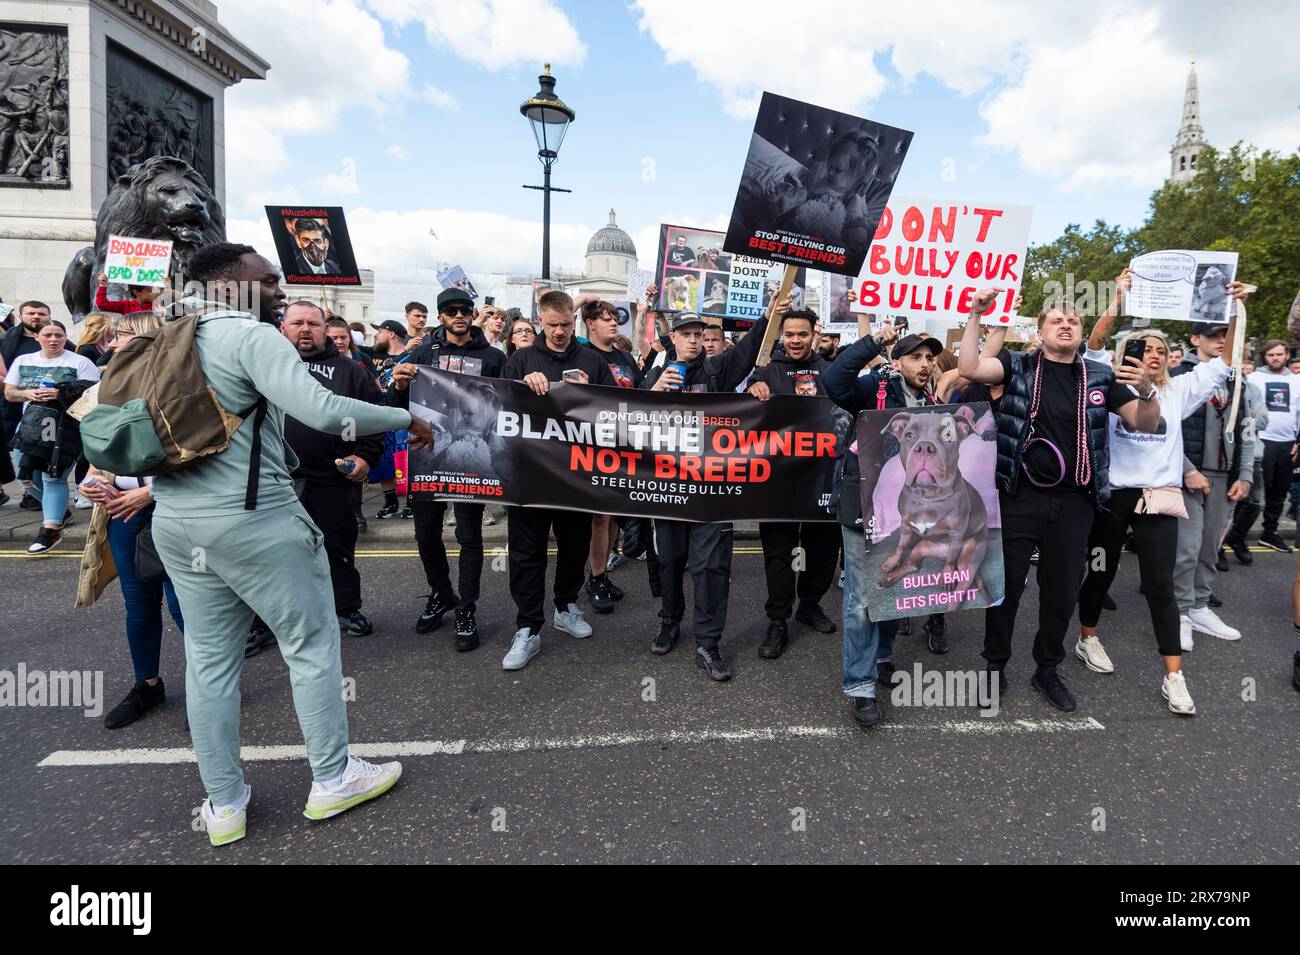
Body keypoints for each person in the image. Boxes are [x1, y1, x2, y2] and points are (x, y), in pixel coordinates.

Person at [145, 242, 432, 847]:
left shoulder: (158, 334)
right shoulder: (249, 336)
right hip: (254, 521)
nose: (279, 289)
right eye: (268, 280)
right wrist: (406, 419)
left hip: (175, 519)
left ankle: (224, 804)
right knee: (310, 645)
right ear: (231, 286)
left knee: (209, 662)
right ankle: (332, 778)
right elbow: (323, 410)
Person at [958, 285, 1159, 713]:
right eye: (1056, 320)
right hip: (1020, 497)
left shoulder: (1100, 376)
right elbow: (970, 368)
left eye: (1073, 321)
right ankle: (995, 666)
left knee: (1061, 593)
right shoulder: (1018, 366)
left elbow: (1143, 423)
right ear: (1041, 330)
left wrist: (1148, 391)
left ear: (1081, 332)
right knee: (1007, 589)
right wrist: (976, 314)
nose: (1066, 325)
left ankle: (1046, 669)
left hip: (1075, 504)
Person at [1076, 274, 1248, 715]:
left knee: (1160, 586)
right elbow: (1095, 339)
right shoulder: (1105, 381)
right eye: (1141, 348)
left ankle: (1174, 675)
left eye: (1158, 349)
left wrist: (1232, 307)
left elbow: (1224, 359)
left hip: (1159, 500)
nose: (1150, 354)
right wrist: (1115, 296)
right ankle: (1087, 638)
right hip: (1114, 496)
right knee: (1101, 571)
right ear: (1126, 355)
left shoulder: (1182, 390)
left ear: (1167, 358)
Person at [643, 298, 780, 682]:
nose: (692, 341)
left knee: (711, 567)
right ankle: (670, 622)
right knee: (669, 561)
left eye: (697, 335)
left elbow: (749, 350)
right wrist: (653, 390)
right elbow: (621, 416)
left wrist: (769, 316)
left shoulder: (716, 369)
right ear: (672, 338)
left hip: (711, 491)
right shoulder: (655, 375)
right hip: (665, 489)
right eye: (685, 335)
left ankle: (708, 642)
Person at [825, 323, 949, 726]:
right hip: (865, 506)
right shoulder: (874, 387)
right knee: (862, 600)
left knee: (897, 588)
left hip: (911, 512)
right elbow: (832, 381)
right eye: (916, 356)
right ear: (897, 362)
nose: (925, 364)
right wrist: (874, 341)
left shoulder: (932, 400)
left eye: (930, 358)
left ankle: (881, 657)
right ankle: (860, 687)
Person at [76, 316, 186, 728]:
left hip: (171, 507)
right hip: (121, 510)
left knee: (185, 604)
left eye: (120, 335)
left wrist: (150, 492)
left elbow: (202, 453)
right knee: (138, 602)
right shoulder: (102, 389)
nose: (112, 341)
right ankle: (148, 685)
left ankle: (210, 688)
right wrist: (91, 482)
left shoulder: (178, 387)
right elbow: (97, 452)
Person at [498, 290, 616, 670]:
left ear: (574, 318)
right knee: (526, 553)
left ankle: (566, 606)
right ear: (540, 319)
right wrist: (521, 387)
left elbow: (611, 411)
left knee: (573, 547)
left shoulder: (592, 360)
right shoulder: (521, 359)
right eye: (552, 325)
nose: (560, 331)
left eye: (566, 324)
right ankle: (528, 627)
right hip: (530, 476)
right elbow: (500, 409)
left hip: (575, 476)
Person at [389, 287, 506, 651]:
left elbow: (506, 405)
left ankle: (467, 608)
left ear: (473, 314)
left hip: (471, 460)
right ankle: (441, 594)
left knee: (470, 537)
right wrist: (399, 382)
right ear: (440, 317)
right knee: (426, 535)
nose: (459, 315)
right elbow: (395, 403)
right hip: (428, 455)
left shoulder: (492, 356)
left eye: (464, 309)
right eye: (451, 310)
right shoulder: (423, 353)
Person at [273, 301, 386, 643]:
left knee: (337, 549)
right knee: (274, 557)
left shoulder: (351, 371)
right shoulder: (266, 368)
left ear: (326, 330)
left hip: (331, 480)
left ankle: (345, 609)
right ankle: (268, 623)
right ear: (283, 328)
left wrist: (365, 456)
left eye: (313, 323)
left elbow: (374, 417)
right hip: (274, 483)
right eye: (297, 323)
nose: (305, 329)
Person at [747, 308, 840, 658]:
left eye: (803, 334)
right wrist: (752, 388)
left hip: (822, 479)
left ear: (814, 334)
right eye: (790, 335)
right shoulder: (766, 371)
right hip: (778, 482)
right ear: (781, 336)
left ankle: (810, 604)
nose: (796, 340)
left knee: (824, 550)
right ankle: (778, 619)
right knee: (778, 554)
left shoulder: (830, 372)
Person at [1170, 320, 1258, 640]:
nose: (1221, 341)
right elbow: (1164, 430)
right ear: (1195, 339)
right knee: (1187, 548)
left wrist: (1245, 474)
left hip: (1223, 476)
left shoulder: (1238, 380)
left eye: (1225, 335)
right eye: (1213, 336)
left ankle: (1199, 606)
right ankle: (1179, 612)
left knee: (1210, 547)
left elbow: (1247, 429)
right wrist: (1186, 470)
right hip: (1187, 476)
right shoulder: (1179, 375)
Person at [4, 320, 100, 552]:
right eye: (48, 334)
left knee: (53, 477)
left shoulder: (79, 361)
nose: (53, 339)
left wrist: (61, 392)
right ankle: (58, 510)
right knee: (26, 478)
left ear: (65, 337)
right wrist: (27, 393)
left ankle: (50, 529)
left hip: (66, 427)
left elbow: (94, 394)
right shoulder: (23, 361)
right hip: (30, 426)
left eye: (59, 335)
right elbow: (10, 394)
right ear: (37, 337)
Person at [578, 298, 642, 614]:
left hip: (624, 444)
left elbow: (641, 394)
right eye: (606, 319)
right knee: (599, 517)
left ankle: (602, 570)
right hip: (594, 445)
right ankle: (596, 577)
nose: (614, 323)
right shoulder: (582, 355)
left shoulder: (624, 357)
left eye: (616, 319)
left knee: (614, 514)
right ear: (590, 323)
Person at [1226, 340, 1300, 552]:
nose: (1275, 358)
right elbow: (1252, 415)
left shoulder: (1296, 381)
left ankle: (1269, 533)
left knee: (1279, 493)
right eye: (1270, 355)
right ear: (1264, 356)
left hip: (1287, 443)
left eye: (1279, 354)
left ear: (1286, 355)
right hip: (1260, 443)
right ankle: (1232, 535)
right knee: (1249, 497)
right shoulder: (1255, 379)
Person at [0, 300, 50, 509]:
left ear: (49, 316)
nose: (36, 317)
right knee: (11, 451)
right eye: (31, 313)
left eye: (41, 313)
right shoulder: (7, 341)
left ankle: (35, 495)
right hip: (10, 406)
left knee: (41, 453)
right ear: (21, 316)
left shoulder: (57, 339)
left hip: (44, 409)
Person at [367, 319, 414, 519]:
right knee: (384, 461)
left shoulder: (411, 356)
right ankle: (391, 502)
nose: (376, 335)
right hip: (380, 414)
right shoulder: (371, 355)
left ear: (391, 333)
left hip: (404, 414)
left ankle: (412, 501)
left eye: (379, 331)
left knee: (408, 460)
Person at [94, 271, 161, 316]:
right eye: (150, 291)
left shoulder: (158, 306)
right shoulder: (126, 306)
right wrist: (102, 285)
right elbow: (102, 304)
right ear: (137, 292)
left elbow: (168, 314)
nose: (154, 293)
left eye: (155, 290)